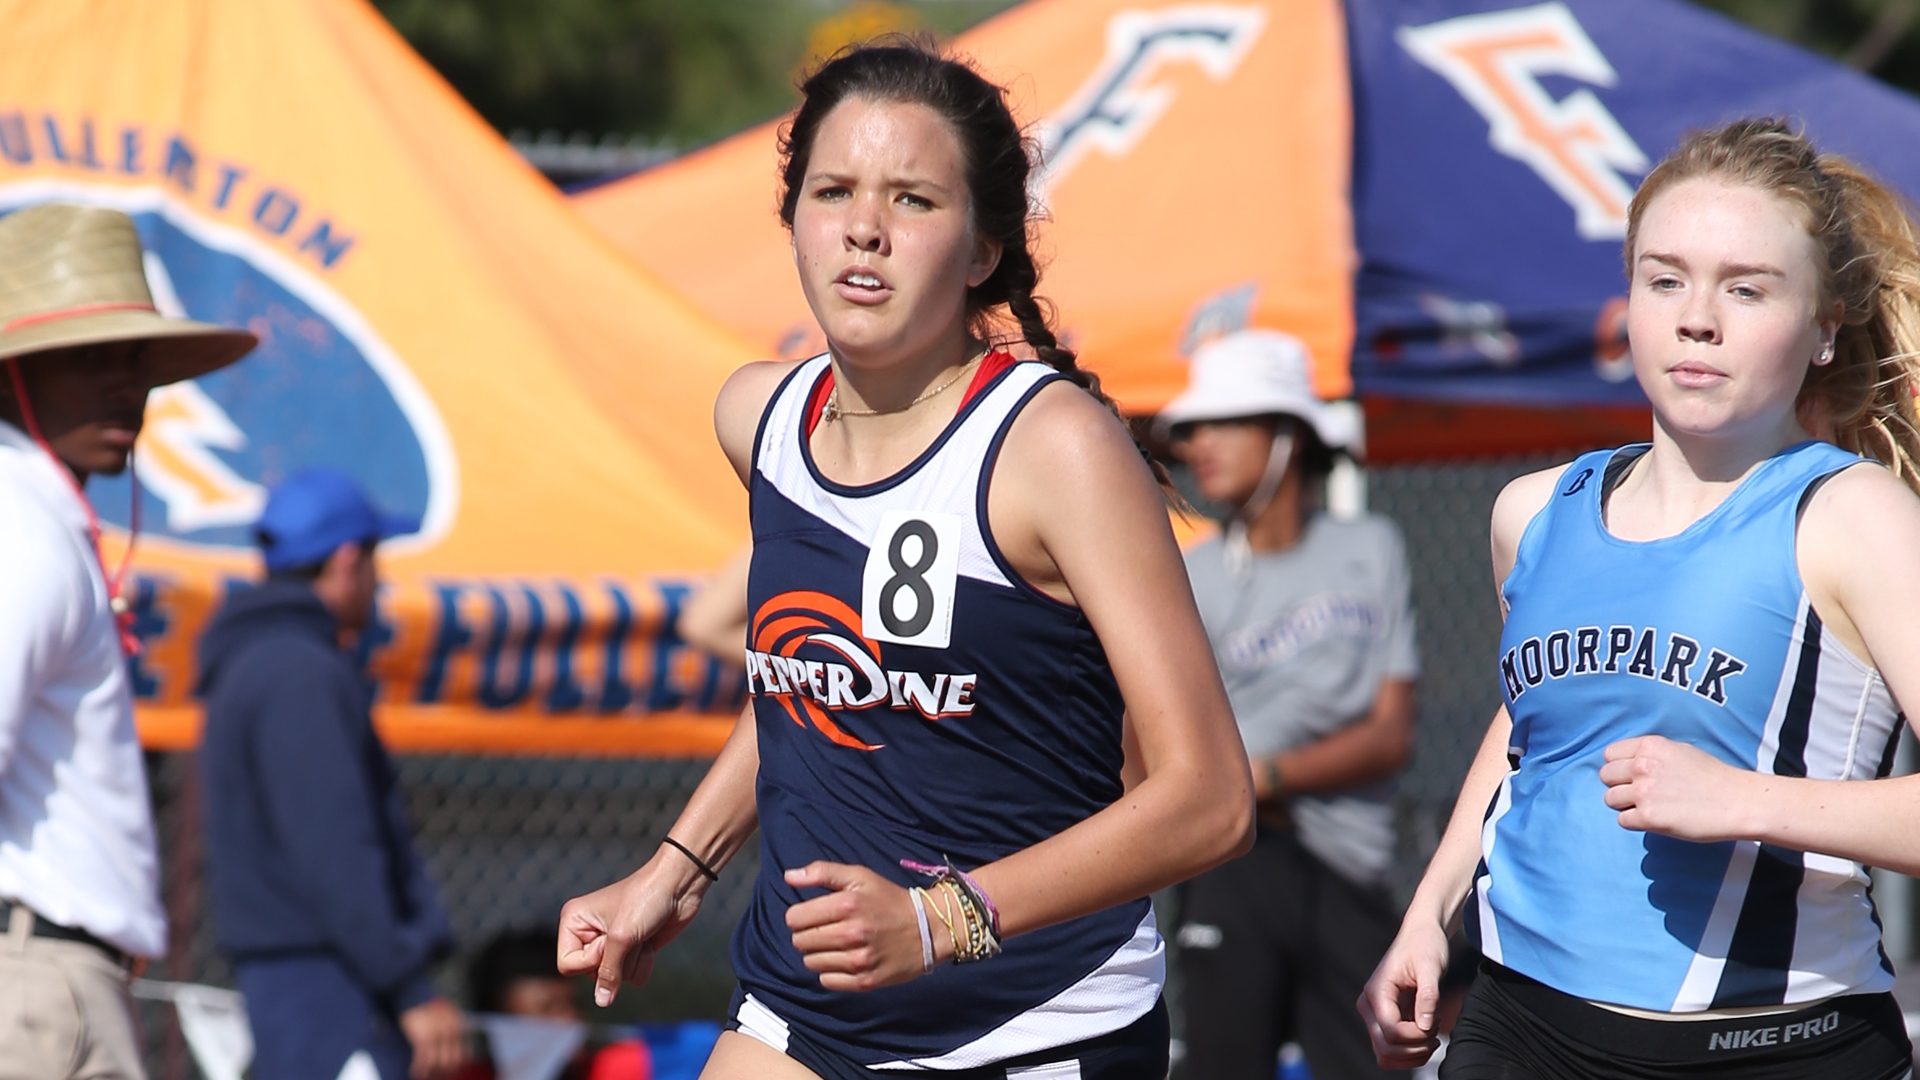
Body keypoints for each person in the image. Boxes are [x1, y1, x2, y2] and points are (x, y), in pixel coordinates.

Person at [557, 40, 1254, 1080]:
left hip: (1032, 1025)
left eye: (914, 200)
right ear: (792, 218)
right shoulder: (760, 418)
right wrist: (678, 864)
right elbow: (815, 682)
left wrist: (940, 921)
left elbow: (1209, 799)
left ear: (982, 249)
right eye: (833, 191)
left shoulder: (1054, 449)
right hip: (803, 1013)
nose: (865, 228)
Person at [1361, 117, 1920, 1080]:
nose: (1697, 317)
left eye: (1746, 288)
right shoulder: (1532, 512)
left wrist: (1746, 801)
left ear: (1825, 328)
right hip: (1516, 1024)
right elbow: (1536, 723)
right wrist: (1431, 911)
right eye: (1666, 279)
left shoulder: (1850, 516)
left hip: (1770, 1042)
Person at [0, 203, 255, 1079]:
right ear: (8, 377)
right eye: (88, 357)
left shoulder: (38, 514)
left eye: (137, 358)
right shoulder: (17, 523)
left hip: (49, 978)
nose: (126, 386)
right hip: (35, 981)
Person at [1158, 329, 1418, 1080]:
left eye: (1224, 420)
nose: (1199, 443)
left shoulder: (1373, 547)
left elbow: (1391, 734)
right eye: (1193, 428)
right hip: (1234, 863)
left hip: (1353, 870)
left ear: (1288, 436)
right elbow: (1153, 747)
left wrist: (1261, 776)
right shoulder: (1186, 574)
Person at [197, 469, 468, 1080]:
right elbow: (335, 850)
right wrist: (408, 986)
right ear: (348, 560)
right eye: (375, 558)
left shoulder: (254, 659)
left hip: (301, 984)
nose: (380, 579)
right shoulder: (299, 671)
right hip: (332, 989)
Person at [457, 930, 651, 1080]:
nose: (570, 1020)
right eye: (547, 1009)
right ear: (497, 1021)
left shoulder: (615, 1069)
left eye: (574, 1004)